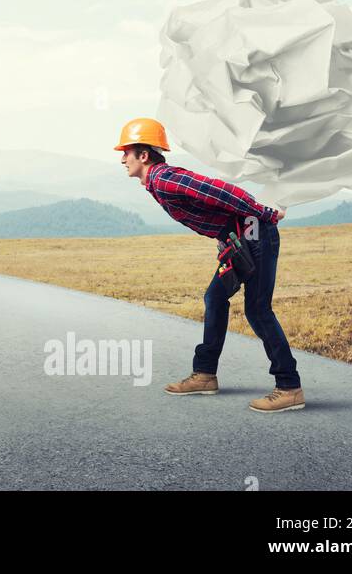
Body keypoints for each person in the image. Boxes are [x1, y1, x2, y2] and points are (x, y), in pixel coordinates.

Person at [114, 117, 305, 413]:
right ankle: (205, 375)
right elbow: (211, 209)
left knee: (258, 309)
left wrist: (263, 212)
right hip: (241, 237)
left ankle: (289, 387)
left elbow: (219, 191)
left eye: (126, 152)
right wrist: (224, 239)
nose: (122, 158)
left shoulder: (164, 178)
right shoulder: (157, 182)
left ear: (143, 155)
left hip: (256, 232)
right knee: (215, 297)